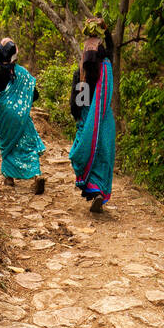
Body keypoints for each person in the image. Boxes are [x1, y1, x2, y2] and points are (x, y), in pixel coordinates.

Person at [0, 38, 45, 193]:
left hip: (5, 113)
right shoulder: (23, 73)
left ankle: (9, 178)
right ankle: (36, 175)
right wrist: (22, 103)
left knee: (7, 144)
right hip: (22, 115)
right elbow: (35, 95)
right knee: (28, 144)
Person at [68, 34, 115, 213]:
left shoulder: (82, 75)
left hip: (89, 120)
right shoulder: (107, 69)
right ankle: (99, 192)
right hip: (106, 122)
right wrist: (106, 30)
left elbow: (78, 104)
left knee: (88, 155)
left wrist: (81, 122)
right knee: (104, 158)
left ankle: (94, 192)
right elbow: (112, 50)